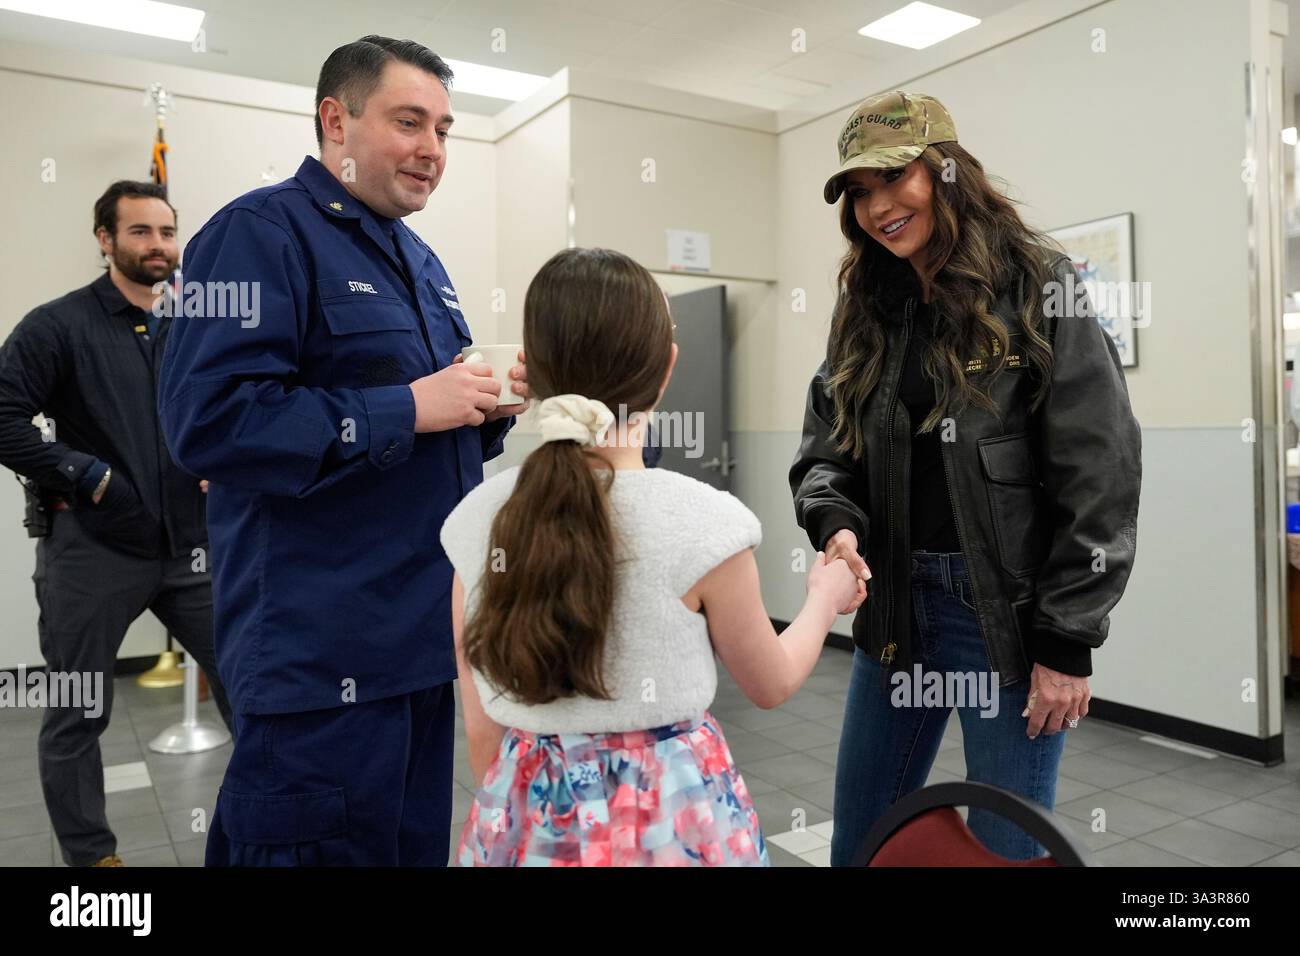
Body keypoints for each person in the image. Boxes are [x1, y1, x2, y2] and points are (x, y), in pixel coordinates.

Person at [158, 36, 524, 866]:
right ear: (336, 119)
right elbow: (208, 421)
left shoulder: (420, 262)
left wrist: (483, 404)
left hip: (427, 646)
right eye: (408, 121)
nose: (432, 149)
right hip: (322, 661)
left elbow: (426, 424)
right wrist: (407, 406)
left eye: (444, 128)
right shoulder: (258, 234)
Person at [789, 91, 1141, 864]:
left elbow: (1100, 467)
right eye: (858, 191)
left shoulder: (1037, 282)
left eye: (893, 178)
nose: (877, 207)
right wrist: (835, 523)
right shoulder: (865, 306)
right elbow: (826, 452)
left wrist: (1069, 639)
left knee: (1009, 849)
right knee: (863, 844)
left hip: (1004, 622)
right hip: (894, 612)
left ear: (945, 171)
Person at [440, 247, 861, 866]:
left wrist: (516, 817)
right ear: (666, 369)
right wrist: (823, 600)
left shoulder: (475, 520)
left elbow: (481, 722)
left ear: (531, 367)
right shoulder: (705, 522)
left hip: (527, 818)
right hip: (672, 826)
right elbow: (768, 682)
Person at [0, 180, 231, 867]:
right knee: (77, 713)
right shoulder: (58, 325)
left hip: (194, 550)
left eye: (166, 232)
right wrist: (85, 473)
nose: (158, 246)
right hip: (93, 550)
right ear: (105, 240)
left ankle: (260, 834)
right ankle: (93, 864)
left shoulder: (195, 321)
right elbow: (4, 419)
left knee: (253, 689)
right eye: (140, 232)